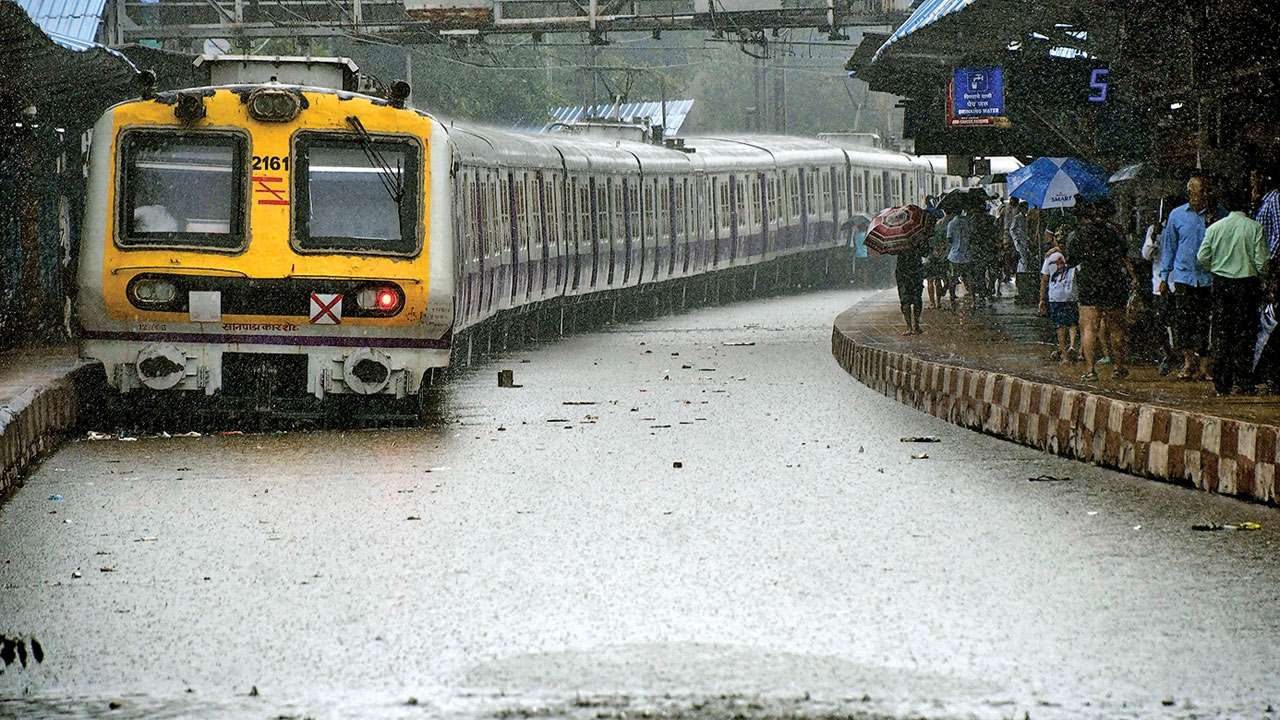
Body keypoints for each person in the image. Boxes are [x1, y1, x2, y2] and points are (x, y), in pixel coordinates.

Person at [1197, 183, 1268, 395]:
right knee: (1245, 334)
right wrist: (1259, 276)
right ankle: (1244, 380)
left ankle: (1222, 381)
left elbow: (1202, 257)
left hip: (1221, 285)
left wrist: (1216, 269)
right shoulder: (1254, 228)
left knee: (1221, 332)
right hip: (1247, 286)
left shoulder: (1215, 228)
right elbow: (1262, 262)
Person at [1159, 175, 1226, 380]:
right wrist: (1164, 276)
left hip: (1209, 278)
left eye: (1206, 191)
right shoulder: (1177, 215)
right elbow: (1169, 247)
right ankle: (1188, 362)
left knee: (1206, 323)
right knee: (1184, 322)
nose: (1203, 195)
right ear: (1190, 193)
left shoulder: (1219, 214)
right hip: (1183, 277)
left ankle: (1205, 365)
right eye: (1199, 191)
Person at [1067, 196, 1132, 381]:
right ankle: (1119, 367)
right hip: (1113, 282)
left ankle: (1090, 370)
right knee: (1116, 328)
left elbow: (1072, 260)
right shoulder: (1114, 233)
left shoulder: (1077, 235)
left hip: (1089, 283)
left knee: (1089, 327)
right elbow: (1123, 253)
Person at [1140, 201, 1179, 375]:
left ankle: (1181, 357)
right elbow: (1146, 255)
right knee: (1159, 323)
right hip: (1159, 284)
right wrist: (1153, 239)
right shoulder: (1155, 230)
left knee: (1178, 323)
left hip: (1179, 282)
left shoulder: (1181, 227)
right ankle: (1168, 354)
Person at [1039, 245, 1079, 364]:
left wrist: (1041, 298)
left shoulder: (1051, 257)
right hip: (1071, 294)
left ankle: (1064, 355)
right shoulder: (1076, 255)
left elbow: (1044, 278)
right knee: (1072, 322)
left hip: (1056, 296)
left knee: (1060, 325)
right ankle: (1072, 345)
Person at [894, 233, 928, 335]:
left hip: (910, 272)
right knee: (910, 300)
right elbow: (925, 252)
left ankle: (913, 326)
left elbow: (925, 252)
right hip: (909, 272)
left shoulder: (899, 238)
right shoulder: (916, 237)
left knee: (911, 299)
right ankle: (912, 326)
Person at [946, 207, 975, 310]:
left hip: (954, 256)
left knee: (953, 279)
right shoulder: (967, 223)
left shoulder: (951, 224)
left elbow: (949, 239)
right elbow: (972, 237)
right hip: (967, 256)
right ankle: (973, 300)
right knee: (969, 278)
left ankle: (952, 300)